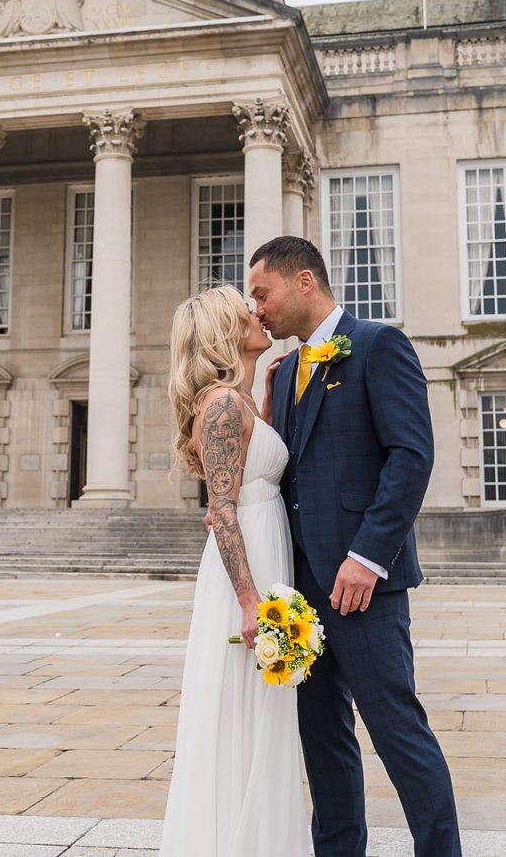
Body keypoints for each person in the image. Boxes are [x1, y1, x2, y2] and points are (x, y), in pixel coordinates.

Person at [249, 235, 461, 857]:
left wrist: (368, 557)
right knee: (322, 739)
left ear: (304, 281)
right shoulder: (283, 372)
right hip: (300, 593)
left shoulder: (378, 345)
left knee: (397, 731)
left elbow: (410, 457)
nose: (256, 308)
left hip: (365, 584)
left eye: (263, 293)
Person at [159, 284, 309, 857]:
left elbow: (253, 473)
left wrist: (266, 398)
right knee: (243, 714)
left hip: (267, 554)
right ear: (225, 330)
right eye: (243, 309)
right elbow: (221, 510)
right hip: (244, 576)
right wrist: (250, 603)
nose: (256, 311)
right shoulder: (220, 405)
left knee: (263, 718)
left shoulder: (238, 401)